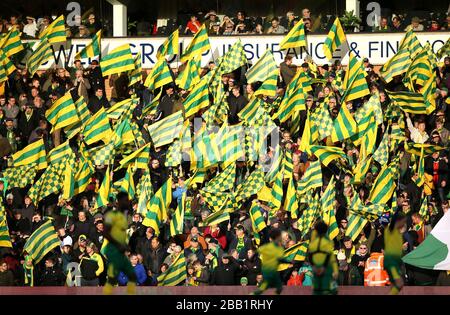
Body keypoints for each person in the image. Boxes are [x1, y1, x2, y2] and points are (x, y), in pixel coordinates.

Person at [252, 229, 288, 295]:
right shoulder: (279, 248)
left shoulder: (267, 247)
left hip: (268, 271)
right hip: (271, 272)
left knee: (265, 288)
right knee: (278, 287)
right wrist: (288, 262)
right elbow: (281, 259)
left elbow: (257, 252)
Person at [308, 221, 339, 295]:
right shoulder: (328, 242)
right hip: (326, 268)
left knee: (316, 290)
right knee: (329, 289)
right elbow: (330, 257)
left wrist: (313, 266)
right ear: (326, 231)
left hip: (316, 268)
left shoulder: (313, 243)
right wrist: (335, 270)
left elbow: (310, 256)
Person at [383, 212, 407, 295]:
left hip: (395, 261)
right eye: (403, 222)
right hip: (391, 261)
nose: (404, 224)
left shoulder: (396, 232)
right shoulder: (390, 230)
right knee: (399, 283)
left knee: (394, 285)